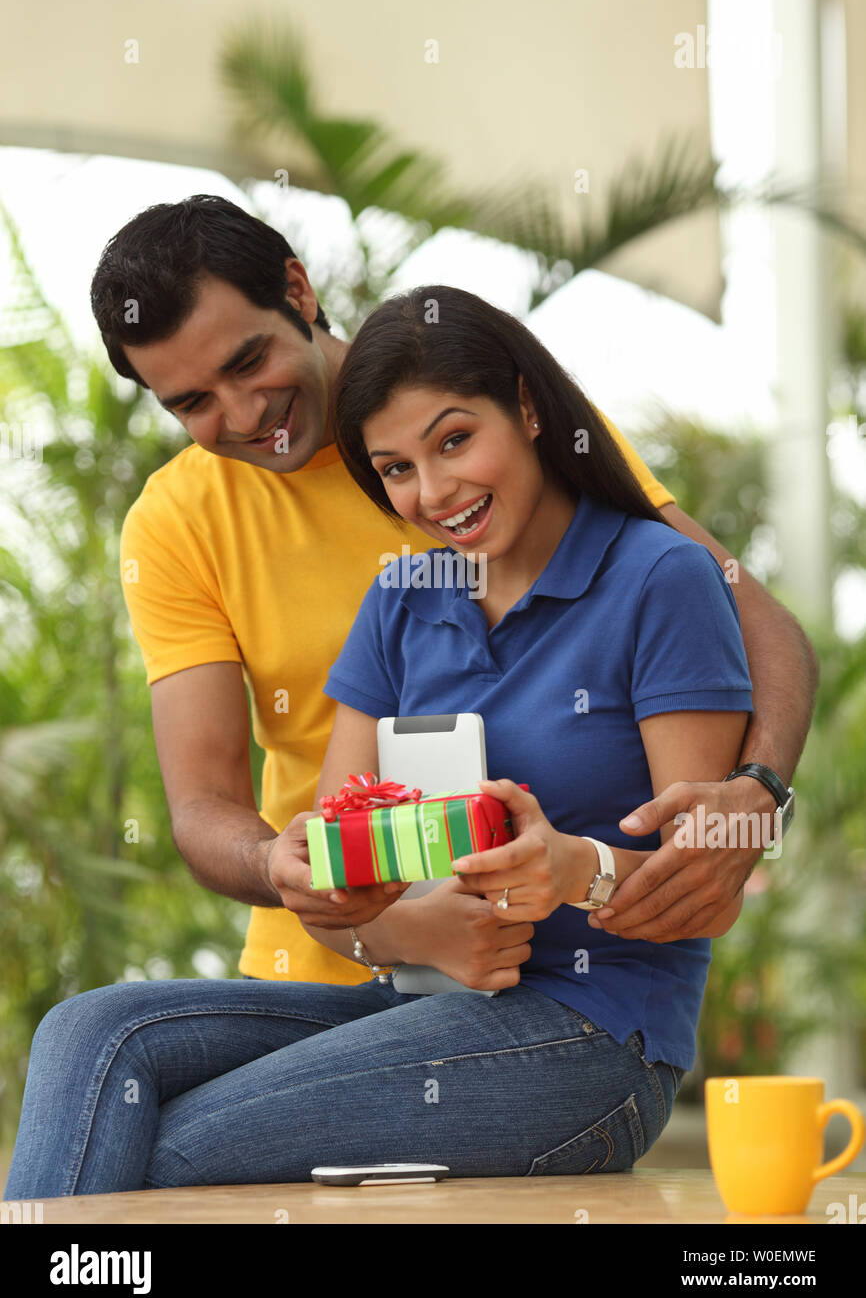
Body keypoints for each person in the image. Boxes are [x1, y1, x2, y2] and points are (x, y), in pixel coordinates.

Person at [6, 283, 758, 1193]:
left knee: (166, 1151)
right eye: (396, 469)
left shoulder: (660, 578)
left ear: (525, 407)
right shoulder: (403, 597)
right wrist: (398, 923)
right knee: (90, 1031)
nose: (435, 492)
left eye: (454, 440)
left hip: (593, 1032)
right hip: (410, 1004)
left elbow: (710, 887)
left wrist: (571, 869)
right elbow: (341, 862)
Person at [93, 195, 811, 993]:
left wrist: (756, 799)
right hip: (316, 969)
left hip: (535, 971)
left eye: (246, 361)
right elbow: (202, 805)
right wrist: (289, 871)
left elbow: (753, 621)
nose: (243, 413)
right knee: (95, 1035)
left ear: (298, 290)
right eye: (191, 403)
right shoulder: (173, 522)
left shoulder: (491, 412)